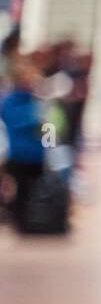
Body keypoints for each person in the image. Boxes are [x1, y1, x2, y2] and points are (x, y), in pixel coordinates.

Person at [0, 55, 48, 227]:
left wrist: (50, 148)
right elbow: (12, 120)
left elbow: (48, 127)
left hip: (38, 154)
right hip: (20, 153)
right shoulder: (10, 100)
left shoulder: (38, 100)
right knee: (20, 190)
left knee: (37, 190)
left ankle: (36, 219)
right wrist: (34, 118)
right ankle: (21, 221)